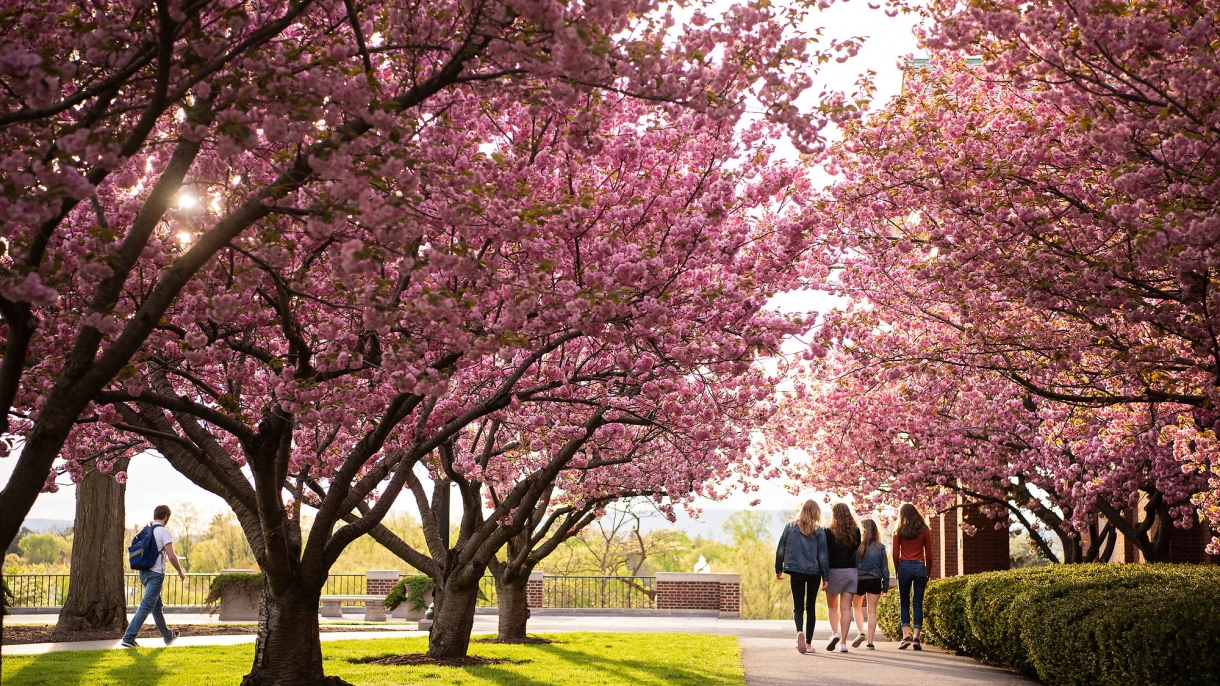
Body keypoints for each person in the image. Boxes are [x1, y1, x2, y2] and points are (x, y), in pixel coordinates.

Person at [121, 505, 185, 648]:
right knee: (146, 606)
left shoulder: (145, 530)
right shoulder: (164, 532)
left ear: (155, 515)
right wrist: (180, 572)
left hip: (143, 573)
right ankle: (128, 637)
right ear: (166, 517)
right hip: (156, 575)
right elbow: (172, 556)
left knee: (156, 607)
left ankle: (168, 636)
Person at [775, 500, 830, 654]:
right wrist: (826, 577)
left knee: (798, 607)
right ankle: (809, 644)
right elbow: (823, 557)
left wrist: (778, 568)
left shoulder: (790, 527)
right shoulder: (819, 531)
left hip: (795, 571)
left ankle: (799, 631)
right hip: (814, 572)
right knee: (810, 608)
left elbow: (780, 549)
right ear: (816, 513)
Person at [892, 502, 933, 651]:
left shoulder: (898, 531)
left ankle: (905, 637)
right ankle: (916, 638)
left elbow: (895, 554)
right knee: (918, 603)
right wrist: (927, 572)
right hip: (920, 567)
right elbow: (929, 555)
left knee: (904, 602)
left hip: (904, 566)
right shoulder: (924, 530)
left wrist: (897, 570)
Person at [821, 502, 861, 653]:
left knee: (832, 607)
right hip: (851, 571)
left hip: (834, 572)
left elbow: (825, 554)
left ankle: (835, 633)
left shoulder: (828, 532)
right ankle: (843, 643)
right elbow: (857, 549)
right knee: (846, 608)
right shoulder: (856, 531)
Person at [850, 519, 889, 650]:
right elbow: (885, 569)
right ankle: (870, 642)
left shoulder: (857, 547)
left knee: (856, 607)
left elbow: (853, 565)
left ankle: (861, 632)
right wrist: (885, 587)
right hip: (875, 580)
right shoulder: (881, 547)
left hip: (859, 580)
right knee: (872, 610)